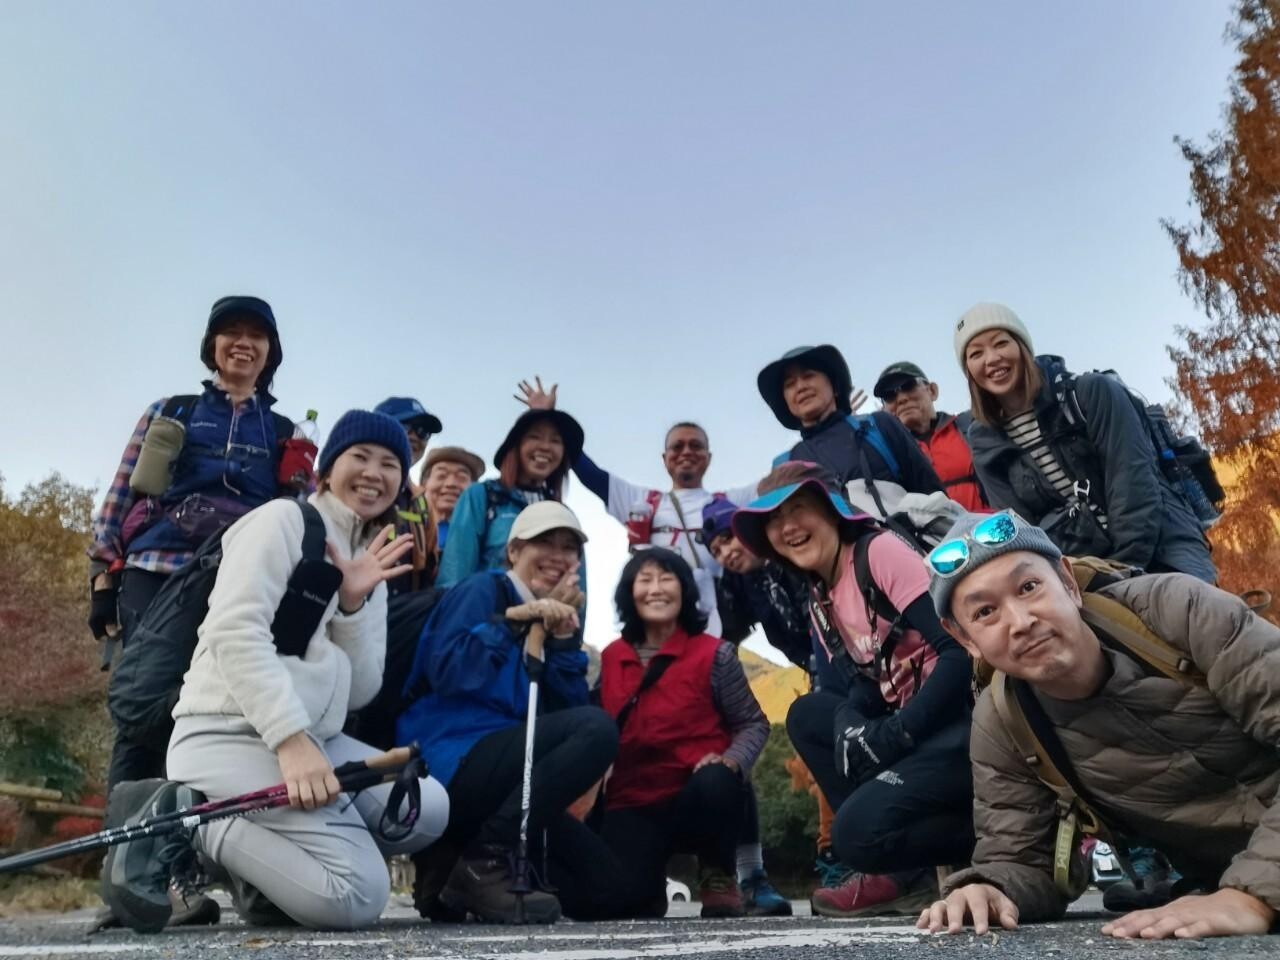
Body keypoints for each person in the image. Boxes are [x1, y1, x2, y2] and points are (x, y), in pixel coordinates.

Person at [101, 410, 450, 932]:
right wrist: (291, 742)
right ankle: (189, 819)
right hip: (227, 735)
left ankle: (263, 878)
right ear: (326, 470)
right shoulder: (281, 521)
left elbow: (361, 691)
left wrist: (351, 604)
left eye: (389, 464)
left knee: (424, 810)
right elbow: (233, 632)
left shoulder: (367, 558)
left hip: (312, 739)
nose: (374, 473)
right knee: (357, 895)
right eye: (359, 457)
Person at [918, 510, 1280, 942]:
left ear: (1068, 583)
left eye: (1029, 587)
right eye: (985, 612)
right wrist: (990, 888)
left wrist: (1252, 896)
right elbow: (1020, 858)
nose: (1020, 621)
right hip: (1225, 880)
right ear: (965, 639)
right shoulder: (1003, 721)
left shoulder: (1176, 612)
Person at [87, 296, 303, 928]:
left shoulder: (285, 431)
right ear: (211, 345)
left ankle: (224, 870)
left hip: (239, 579)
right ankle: (129, 876)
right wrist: (102, 574)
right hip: (157, 569)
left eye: (257, 335)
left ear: (271, 353)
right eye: (231, 332)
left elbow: (297, 513)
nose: (243, 343)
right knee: (142, 715)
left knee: (232, 717)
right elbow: (121, 492)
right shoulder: (171, 411)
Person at [732, 463, 974, 917]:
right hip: (911, 726)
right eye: (773, 520)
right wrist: (850, 723)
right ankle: (899, 874)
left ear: (832, 511)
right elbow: (861, 685)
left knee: (854, 836)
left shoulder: (878, 551)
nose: (787, 527)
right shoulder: (820, 596)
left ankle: (994, 838)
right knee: (808, 715)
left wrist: (900, 733)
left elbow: (958, 651)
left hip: (959, 723)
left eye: (798, 509)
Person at [397, 501, 617, 924]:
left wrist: (562, 644)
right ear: (513, 551)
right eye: (544, 542)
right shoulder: (483, 590)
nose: (557, 555)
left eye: (569, 547)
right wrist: (514, 621)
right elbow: (451, 671)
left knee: (610, 892)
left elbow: (565, 714)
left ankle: (454, 863)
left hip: (510, 776)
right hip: (450, 759)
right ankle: (484, 860)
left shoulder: (557, 617)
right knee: (598, 730)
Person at [956, 302, 1215, 584]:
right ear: (968, 369)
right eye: (976, 353)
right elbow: (1021, 529)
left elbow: (1133, 481)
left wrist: (1124, 568)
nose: (991, 358)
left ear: (1022, 347)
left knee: (1197, 607)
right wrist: (1064, 581)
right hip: (1082, 569)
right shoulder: (984, 442)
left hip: (1162, 540)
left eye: (1001, 343)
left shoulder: (1092, 392)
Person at [597, 549, 771, 919]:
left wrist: (732, 760)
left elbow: (753, 723)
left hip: (695, 794)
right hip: (632, 801)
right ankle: (649, 882)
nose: (656, 589)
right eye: (645, 580)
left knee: (719, 780)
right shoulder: (611, 658)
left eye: (666, 579)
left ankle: (717, 871)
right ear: (629, 592)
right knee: (624, 903)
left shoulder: (716, 654)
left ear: (685, 590)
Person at [517, 378, 756, 637]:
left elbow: (781, 480)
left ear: (708, 458)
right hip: (654, 620)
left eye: (696, 446)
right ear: (665, 459)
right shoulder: (641, 501)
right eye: (677, 446)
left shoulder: (731, 504)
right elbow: (590, 473)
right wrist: (547, 417)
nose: (686, 452)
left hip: (715, 626)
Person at [756, 345, 944, 520]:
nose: (800, 387)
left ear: (835, 386)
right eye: (789, 384)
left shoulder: (879, 425)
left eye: (809, 375)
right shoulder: (785, 467)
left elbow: (934, 497)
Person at [436, 407, 584, 587]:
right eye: (534, 437)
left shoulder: (564, 514)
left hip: (551, 606)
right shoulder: (482, 495)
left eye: (555, 441)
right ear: (516, 446)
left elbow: (577, 585)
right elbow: (454, 575)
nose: (545, 447)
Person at [701, 498, 812, 669]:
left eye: (727, 538)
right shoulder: (743, 590)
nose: (725, 553)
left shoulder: (797, 552)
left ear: (746, 529)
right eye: (716, 552)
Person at [873, 361, 987, 513]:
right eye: (889, 396)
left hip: (991, 523)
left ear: (932, 390)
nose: (901, 398)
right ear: (884, 411)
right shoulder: (887, 456)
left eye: (908, 386)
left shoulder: (972, 425)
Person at [374, 396, 445, 596]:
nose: (414, 436)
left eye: (423, 432)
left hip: (402, 610)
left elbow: (430, 567)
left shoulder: (422, 503)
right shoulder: (347, 485)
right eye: (404, 426)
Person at [420, 446, 486, 552]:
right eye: (441, 476)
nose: (451, 484)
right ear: (424, 485)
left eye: (462, 478)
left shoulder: (484, 536)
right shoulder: (404, 526)